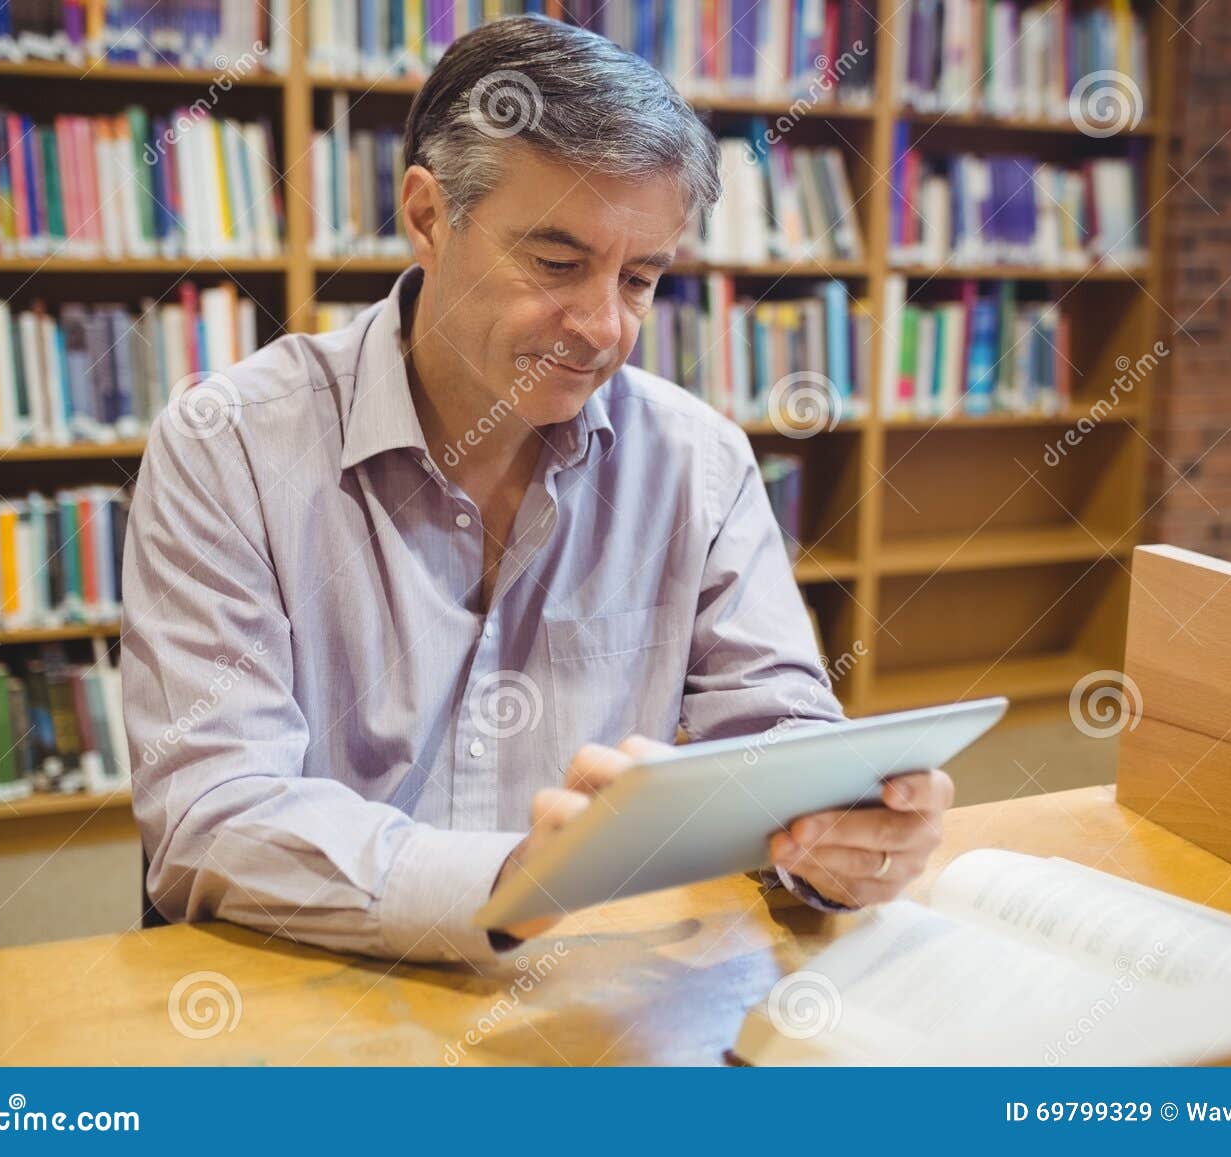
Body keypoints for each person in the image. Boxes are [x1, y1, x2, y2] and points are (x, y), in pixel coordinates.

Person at [121, 14, 953, 965]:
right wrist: (501, 883)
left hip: (586, 1000)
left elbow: (777, 728)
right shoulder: (227, 447)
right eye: (557, 264)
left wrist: (840, 831)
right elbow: (210, 812)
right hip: (303, 1000)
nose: (602, 327)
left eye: (640, 278)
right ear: (429, 217)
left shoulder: (700, 462)